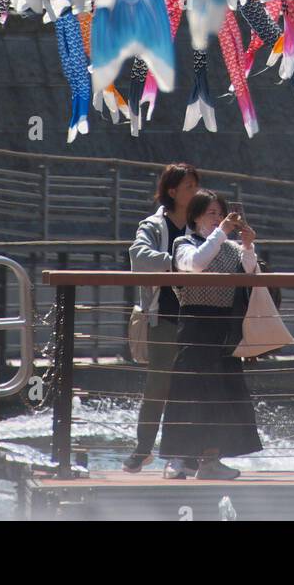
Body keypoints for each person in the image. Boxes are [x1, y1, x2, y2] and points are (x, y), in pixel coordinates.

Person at [158, 189, 263, 480]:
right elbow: (195, 264)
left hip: (224, 326)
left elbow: (251, 273)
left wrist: (247, 245)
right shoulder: (183, 242)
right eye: (211, 213)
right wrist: (222, 233)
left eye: (221, 213)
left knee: (220, 395)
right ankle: (177, 459)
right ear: (195, 216)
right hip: (195, 322)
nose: (218, 219)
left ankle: (210, 460)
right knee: (187, 392)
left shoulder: (230, 247)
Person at [123, 162, 200, 476]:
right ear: (172, 192)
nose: (195, 193)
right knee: (158, 386)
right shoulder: (154, 225)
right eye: (188, 188)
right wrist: (180, 261)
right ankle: (143, 449)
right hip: (165, 315)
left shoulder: (202, 223)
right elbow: (138, 256)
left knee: (192, 387)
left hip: (199, 317)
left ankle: (184, 455)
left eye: (196, 187)